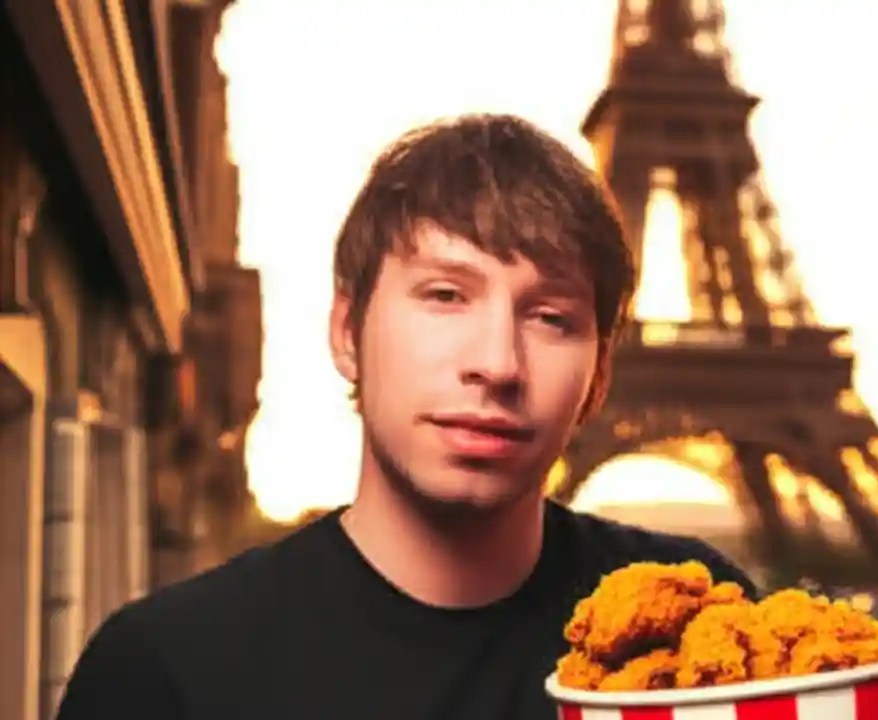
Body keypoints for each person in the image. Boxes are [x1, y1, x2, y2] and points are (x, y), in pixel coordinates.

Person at [56, 114, 757, 719]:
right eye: (447, 295)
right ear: (346, 332)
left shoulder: (702, 626)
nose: (498, 362)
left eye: (550, 317)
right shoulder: (162, 672)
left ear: (599, 374)